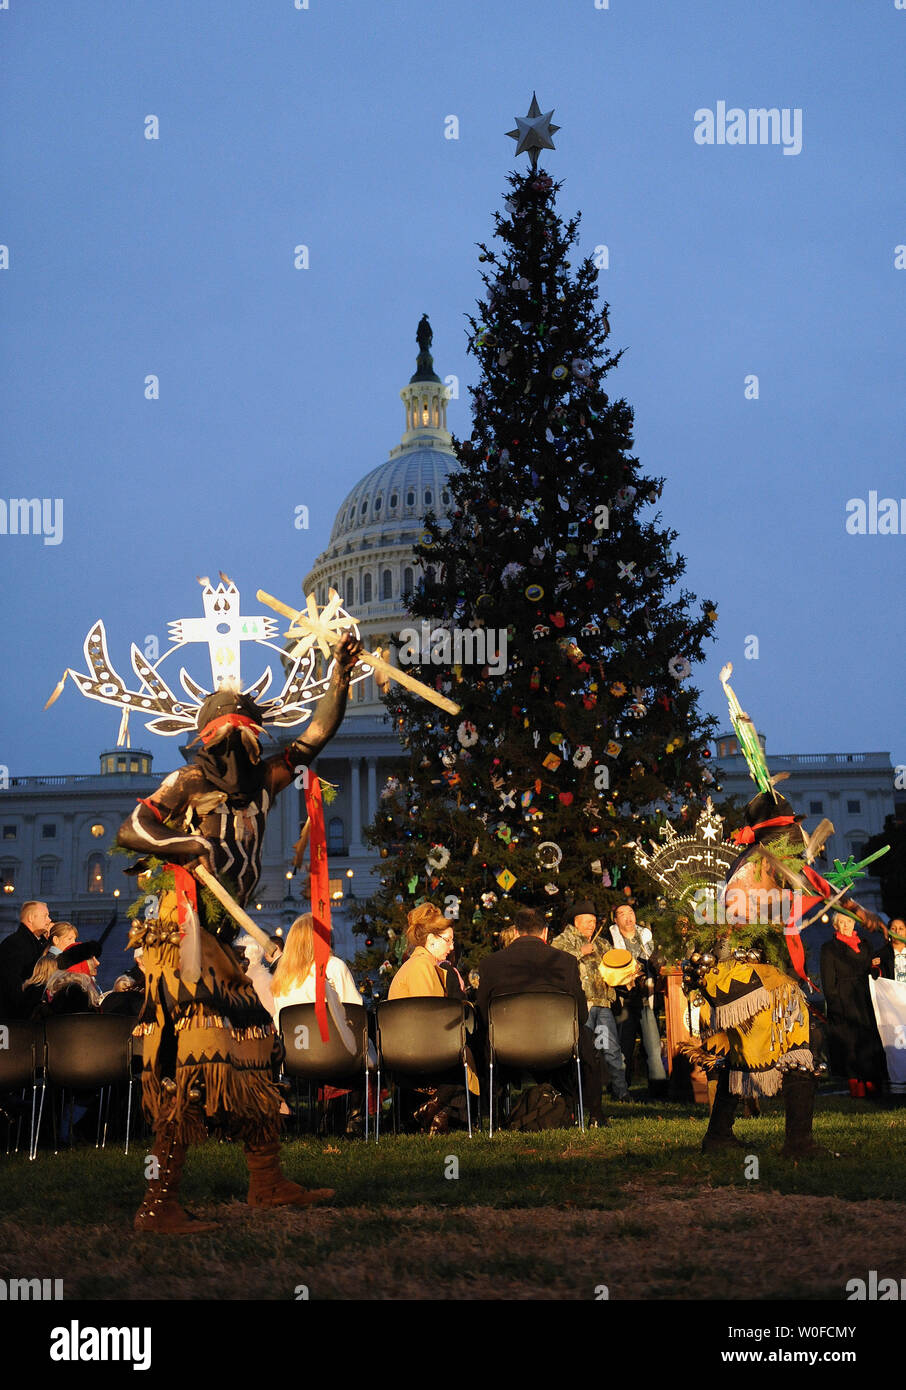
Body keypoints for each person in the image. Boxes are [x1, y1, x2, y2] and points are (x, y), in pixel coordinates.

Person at [116, 630, 362, 1233]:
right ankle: (159, 1203)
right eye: (228, 738)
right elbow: (132, 830)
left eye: (247, 738)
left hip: (227, 941)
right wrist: (184, 842)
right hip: (184, 941)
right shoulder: (188, 784)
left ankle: (267, 1181)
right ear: (210, 741)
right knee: (192, 1066)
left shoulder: (266, 782)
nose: (239, 749)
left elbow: (315, 736)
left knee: (255, 1049)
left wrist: (338, 677)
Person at [475, 907, 605, 1126]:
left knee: (481, 1038)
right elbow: (581, 1014)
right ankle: (594, 1114)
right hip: (559, 1045)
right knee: (587, 1038)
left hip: (506, 1047)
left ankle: (490, 1115)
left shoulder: (491, 963)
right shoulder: (566, 962)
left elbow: (482, 1012)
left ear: (516, 932)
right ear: (545, 933)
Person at [387, 903, 475, 1133]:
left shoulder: (419, 965)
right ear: (431, 939)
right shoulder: (422, 967)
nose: (452, 946)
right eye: (448, 940)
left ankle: (436, 1112)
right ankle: (435, 1111)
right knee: (464, 1053)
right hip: (418, 1049)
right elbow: (432, 1020)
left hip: (405, 1047)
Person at [552, 899, 629, 1102]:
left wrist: (627, 972)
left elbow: (615, 966)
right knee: (582, 1050)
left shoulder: (602, 943)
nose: (592, 925)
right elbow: (555, 962)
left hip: (602, 1004)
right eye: (588, 921)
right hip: (578, 1005)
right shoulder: (562, 941)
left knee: (611, 1048)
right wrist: (580, 952)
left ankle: (620, 1091)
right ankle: (580, 1092)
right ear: (576, 922)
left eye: (594, 921)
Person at [820, 911, 887, 1098]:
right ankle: (856, 1088)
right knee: (851, 1046)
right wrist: (835, 1007)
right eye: (841, 922)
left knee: (869, 1042)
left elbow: (872, 972)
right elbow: (828, 982)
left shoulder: (865, 945)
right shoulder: (829, 948)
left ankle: (873, 1085)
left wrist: (875, 967)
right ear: (835, 926)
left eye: (849, 921)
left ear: (854, 923)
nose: (846, 925)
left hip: (865, 1000)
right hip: (845, 1002)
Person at [609, 904, 668, 1097]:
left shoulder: (646, 937)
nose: (628, 917)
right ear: (615, 920)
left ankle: (658, 1089)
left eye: (631, 913)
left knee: (652, 1045)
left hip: (646, 999)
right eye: (622, 914)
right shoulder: (610, 941)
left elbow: (658, 962)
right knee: (623, 1047)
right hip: (624, 1001)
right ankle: (621, 1089)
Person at [272, 913, 363, 1015]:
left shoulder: (281, 976)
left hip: (295, 1030)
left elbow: (279, 1020)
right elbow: (354, 1009)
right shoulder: (334, 966)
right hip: (331, 1030)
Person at [0, 901, 53, 1018]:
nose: (49, 920)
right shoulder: (15, 944)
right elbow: (11, 985)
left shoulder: (36, 942)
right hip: (19, 1018)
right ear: (31, 918)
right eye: (45, 916)